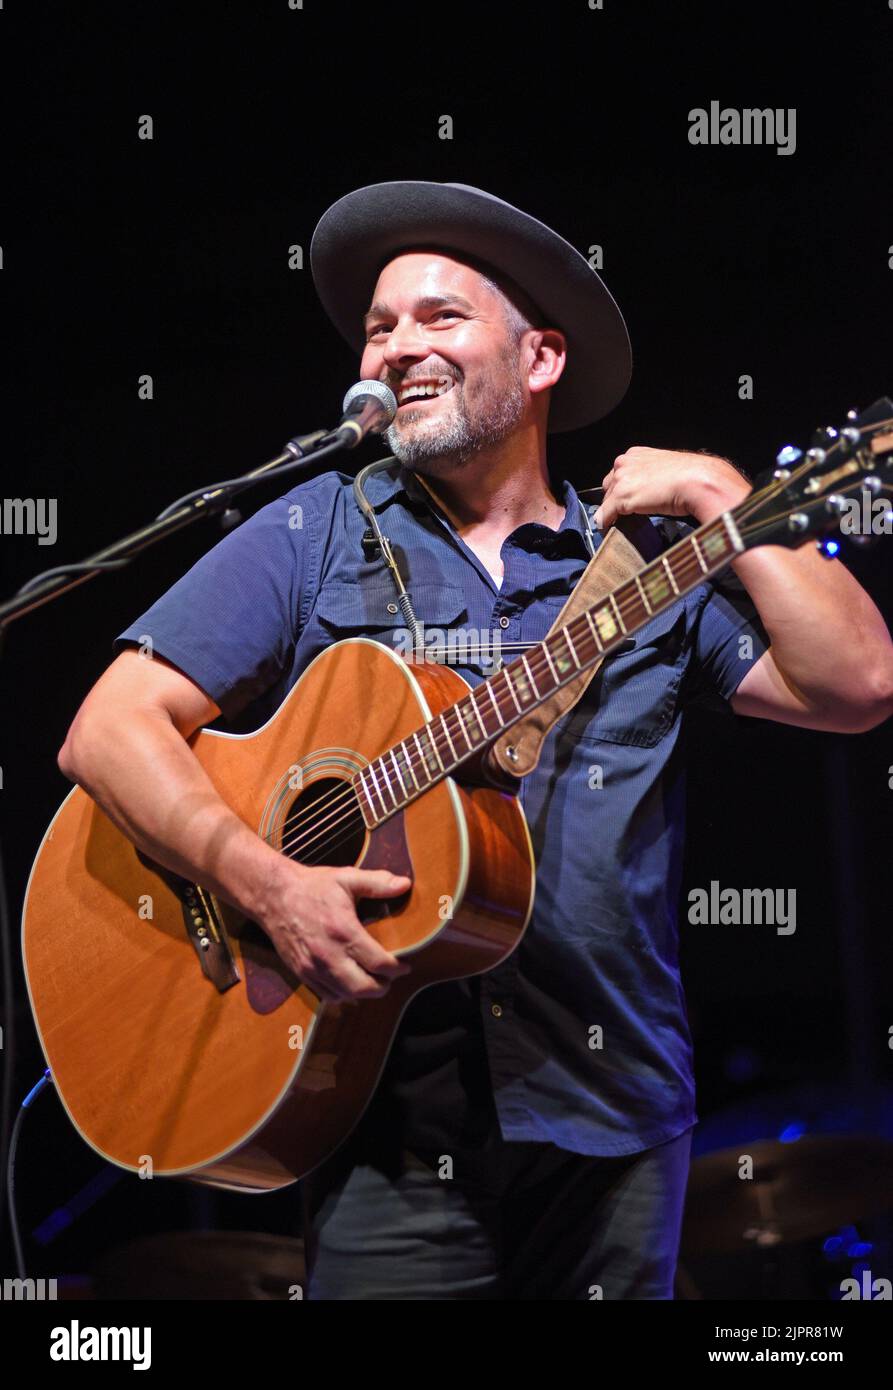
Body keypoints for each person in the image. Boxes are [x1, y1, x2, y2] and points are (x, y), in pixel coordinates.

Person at [57, 181, 893, 1300]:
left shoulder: (638, 562)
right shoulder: (313, 532)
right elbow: (106, 727)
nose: (396, 348)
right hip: (378, 1119)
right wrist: (257, 875)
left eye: (437, 318)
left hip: (614, 1115)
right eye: (378, 327)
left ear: (539, 359)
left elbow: (858, 685)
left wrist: (721, 494)